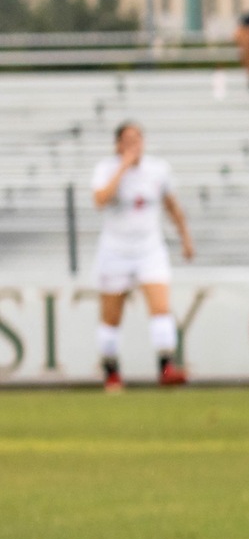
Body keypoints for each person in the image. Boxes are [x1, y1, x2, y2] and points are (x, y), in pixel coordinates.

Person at [90, 121, 195, 392]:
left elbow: (171, 205)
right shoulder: (105, 169)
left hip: (149, 250)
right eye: (127, 140)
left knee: (161, 309)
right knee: (111, 319)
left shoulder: (158, 170)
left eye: (138, 139)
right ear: (117, 144)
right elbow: (100, 200)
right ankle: (111, 373)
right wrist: (123, 167)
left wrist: (185, 238)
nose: (134, 145)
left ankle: (166, 367)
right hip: (115, 252)